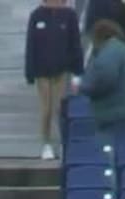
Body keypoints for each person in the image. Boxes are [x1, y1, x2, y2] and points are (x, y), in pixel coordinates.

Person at [25, 0, 83, 160]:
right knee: (46, 109)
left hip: (61, 70)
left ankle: (63, 144)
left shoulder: (69, 15)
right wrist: (29, 72)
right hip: (41, 71)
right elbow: (31, 45)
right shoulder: (36, 15)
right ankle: (46, 143)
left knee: (59, 108)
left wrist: (78, 72)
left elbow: (75, 44)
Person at [77, 20, 125, 149]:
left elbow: (105, 77)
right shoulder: (124, 50)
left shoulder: (110, 51)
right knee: (124, 155)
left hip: (114, 115)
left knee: (108, 157)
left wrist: (84, 87)